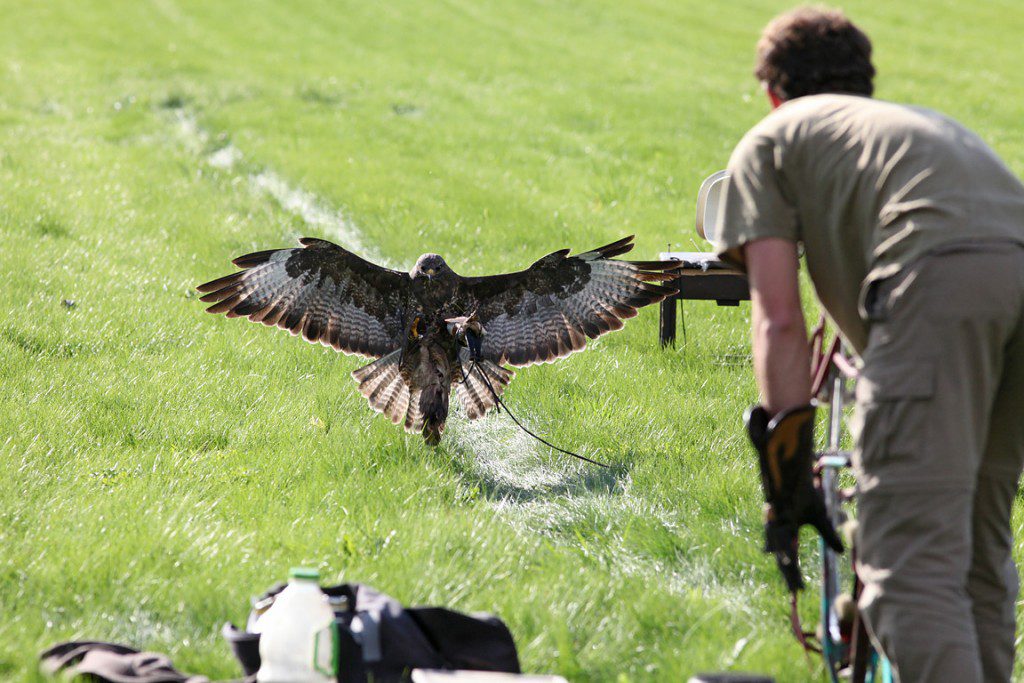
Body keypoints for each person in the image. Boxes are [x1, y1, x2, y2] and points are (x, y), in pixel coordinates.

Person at [714, 6, 1024, 682]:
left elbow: (778, 320)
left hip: (938, 285)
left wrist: (787, 472)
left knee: (908, 570)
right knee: (976, 556)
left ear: (771, 92)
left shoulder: (772, 139)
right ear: (863, 83)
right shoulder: (907, 128)